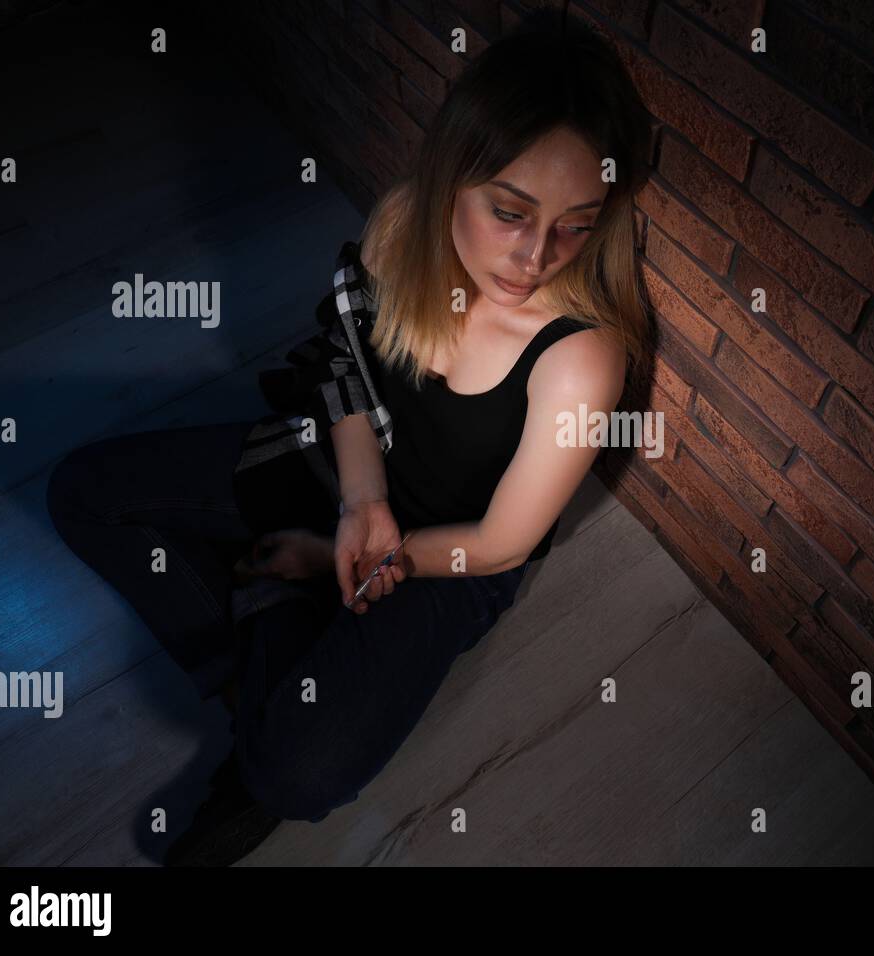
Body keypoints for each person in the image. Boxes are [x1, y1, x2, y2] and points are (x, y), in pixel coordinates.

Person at [44, 6, 653, 866]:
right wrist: (360, 499)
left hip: (447, 557)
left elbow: (500, 542)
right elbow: (345, 362)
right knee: (83, 493)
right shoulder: (408, 221)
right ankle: (276, 620)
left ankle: (269, 641)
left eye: (575, 223)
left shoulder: (582, 357)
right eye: (509, 212)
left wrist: (383, 557)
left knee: (298, 776)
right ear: (453, 174)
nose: (534, 257)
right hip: (335, 467)